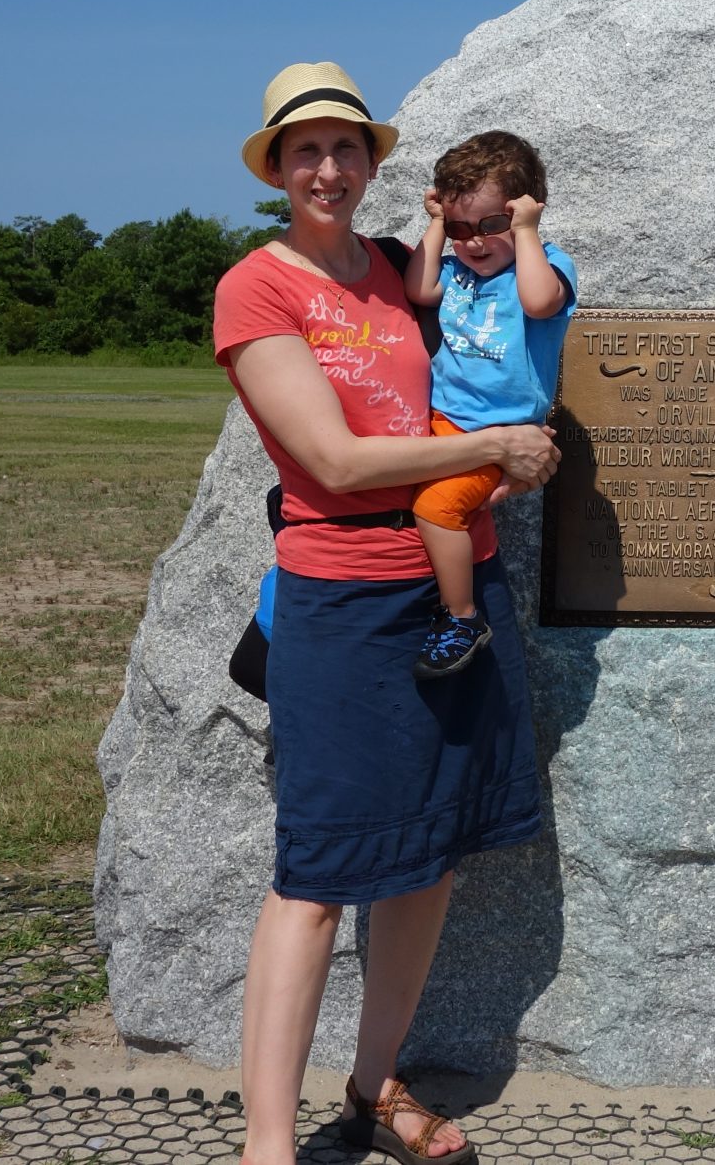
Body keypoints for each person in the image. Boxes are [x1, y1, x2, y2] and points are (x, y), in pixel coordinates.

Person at [219, 61, 559, 1165]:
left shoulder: (397, 272)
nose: (328, 166)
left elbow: (496, 348)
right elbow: (329, 456)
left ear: (372, 162)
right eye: (304, 150)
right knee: (315, 880)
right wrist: (487, 449)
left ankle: (374, 1088)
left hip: (451, 587)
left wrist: (508, 449)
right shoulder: (257, 288)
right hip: (339, 599)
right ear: (275, 167)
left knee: (434, 856)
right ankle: (268, 1144)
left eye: (347, 147)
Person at [401, 131, 578, 679]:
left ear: (522, 215)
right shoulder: (455, 272)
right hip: (441, 420)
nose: (474, 243)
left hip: (494, 433)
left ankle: (462, 617)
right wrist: (435, 226)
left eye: (491, 226)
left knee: (437, 508)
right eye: (461, 230)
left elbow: (539, 302)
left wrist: (527, 232)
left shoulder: (547, 265)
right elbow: (418, 290)